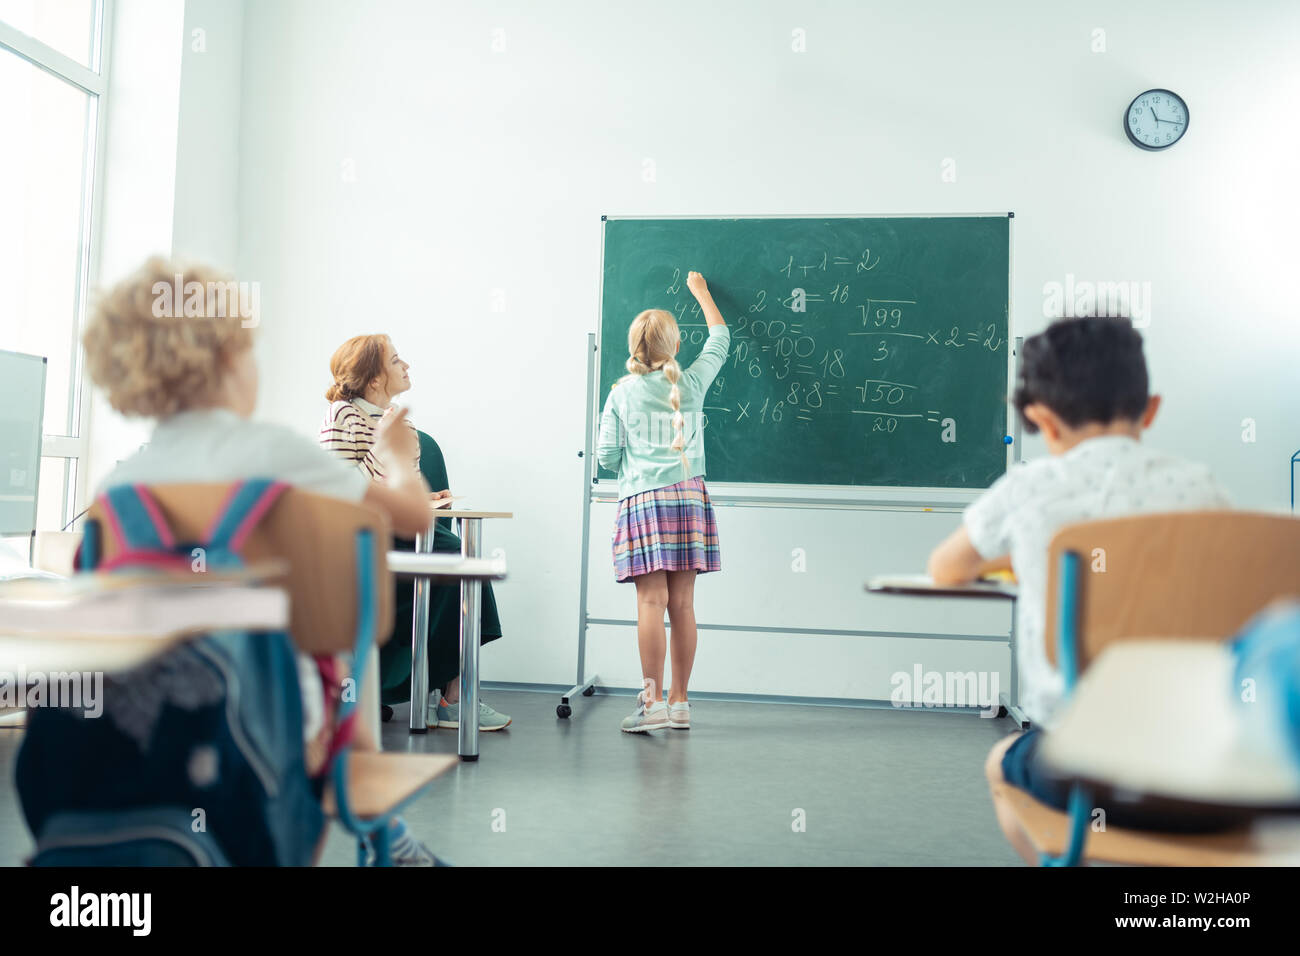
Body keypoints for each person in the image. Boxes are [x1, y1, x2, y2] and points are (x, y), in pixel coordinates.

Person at [62, 257, 444, 865]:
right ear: (228, 363)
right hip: (278, 712)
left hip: (140, 714)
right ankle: (382, 828)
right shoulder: (272, 451)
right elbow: (415, 517)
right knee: (335, 652)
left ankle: (383, 830)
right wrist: (399, 455)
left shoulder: (118, 486)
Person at [925, 315, 1232, 860]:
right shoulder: (1198, 486)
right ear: (1151, 409)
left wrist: (1026, 557)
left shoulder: (1029, 487)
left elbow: (946, 568)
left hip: (1077, 763)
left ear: (1041, 419)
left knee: (1002, 762)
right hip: (1204, 770)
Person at [320, 334, 510, 731]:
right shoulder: (342, 415)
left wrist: (426, 499)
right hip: (361, 540)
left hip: (402, 531)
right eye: (395, 360)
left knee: (466, 563)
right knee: (455, 560)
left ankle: (452, 698)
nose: (406, 366)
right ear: (374, 379)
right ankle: (443, 697)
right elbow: (337, 489)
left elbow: (397, 489)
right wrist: (386, 448)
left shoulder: (400, 421)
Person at [596, 271, 729, 733]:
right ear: (673, 346)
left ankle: (650, 704)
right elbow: (720, 339)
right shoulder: (690, 385)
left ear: (634, 345)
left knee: (651, 603)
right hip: (689, 498)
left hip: (643, 500)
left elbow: (607, 456)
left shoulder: (620, 394)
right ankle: (680, 702)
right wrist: (703, 294)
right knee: (684, 606)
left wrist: (635, 458)